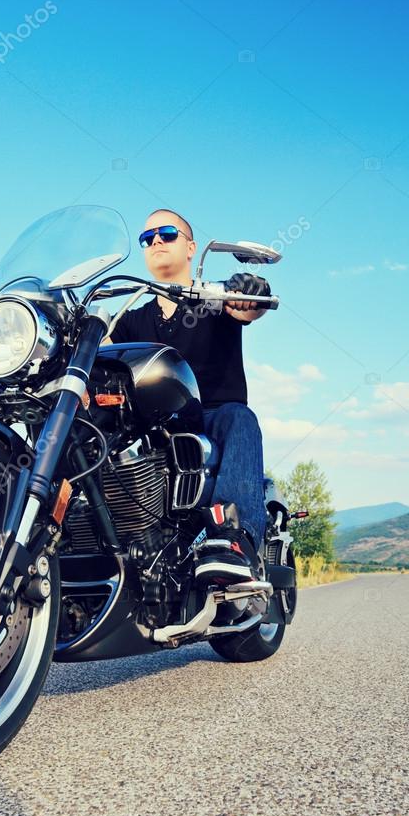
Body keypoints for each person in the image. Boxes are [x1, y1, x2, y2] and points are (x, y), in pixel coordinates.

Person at [102, 208, 271, 585]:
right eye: (147, 239)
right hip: (152, 425)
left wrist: (251, 295)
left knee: (240, 419)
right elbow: (102, 347)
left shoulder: (214, 298)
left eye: (166, 234)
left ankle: (233, 540)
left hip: (211, 415)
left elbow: (245, 310)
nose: (156, 242)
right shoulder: (130, 318)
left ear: (191, 247)